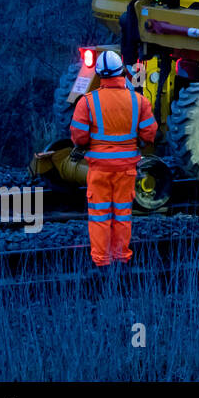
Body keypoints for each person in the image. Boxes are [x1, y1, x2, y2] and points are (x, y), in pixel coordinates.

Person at [69, 50, 158, 270]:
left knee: (100, 216)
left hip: (99, 169)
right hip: (126, 170)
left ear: (99, 74)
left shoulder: (87, 102)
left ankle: (102, 261)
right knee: (122, 214)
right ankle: (122, 258)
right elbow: (150, 134)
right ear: (122, 72)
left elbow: (78, 137)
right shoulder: (139, 101)